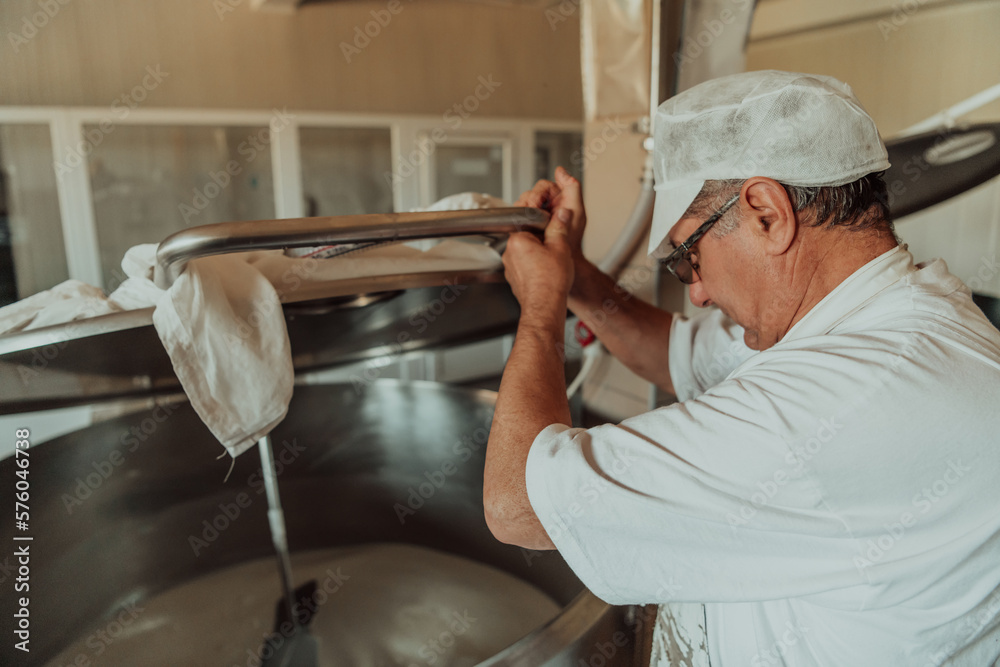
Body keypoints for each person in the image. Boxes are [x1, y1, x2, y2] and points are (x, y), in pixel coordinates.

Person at [482, 70, 1000, 665]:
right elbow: (673, 352)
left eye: (688, 255)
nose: (696, 292)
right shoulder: (883, 316)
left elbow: (515, 503)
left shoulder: (843, 400)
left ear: (766, 213)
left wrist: (540, 306)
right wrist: (572, 272)